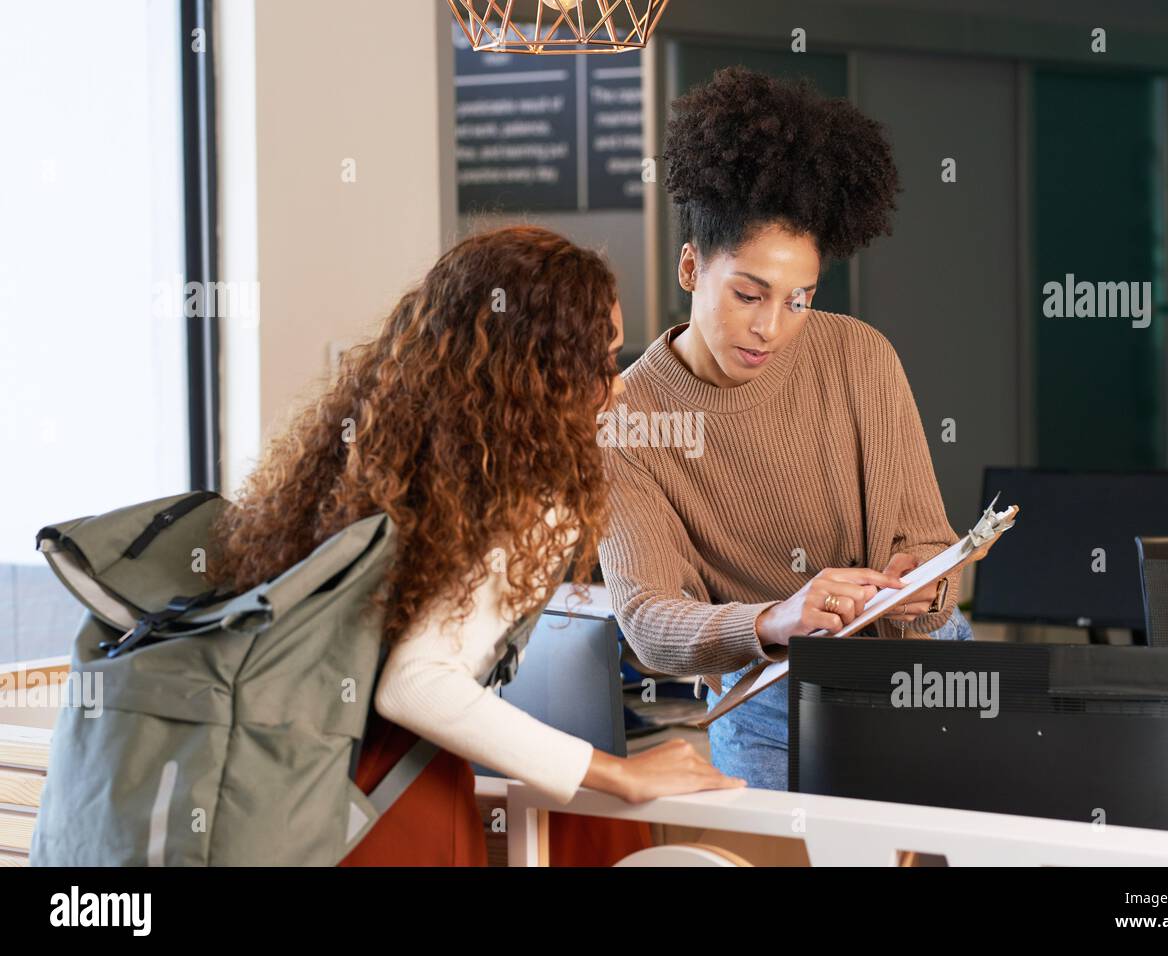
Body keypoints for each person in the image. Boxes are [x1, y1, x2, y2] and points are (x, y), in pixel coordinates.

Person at [207, 225, 744, 866]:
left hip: (296, 794)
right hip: (389, 809)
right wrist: (613, 771)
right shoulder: (533, 496)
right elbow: (415, 685)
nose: (618, 385)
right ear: (539, 373)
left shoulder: (382, 458)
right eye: (601, 363)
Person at [598, 67, 973, 792]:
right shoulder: (626, 417)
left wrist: (928, 584)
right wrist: (775, 618)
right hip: (770, 713)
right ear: (690, 266)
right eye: (748, 294)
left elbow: (932, 542)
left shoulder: (860, 356)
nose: (771, 327)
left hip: (930, 684)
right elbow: (647, 620)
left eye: (799, 300)